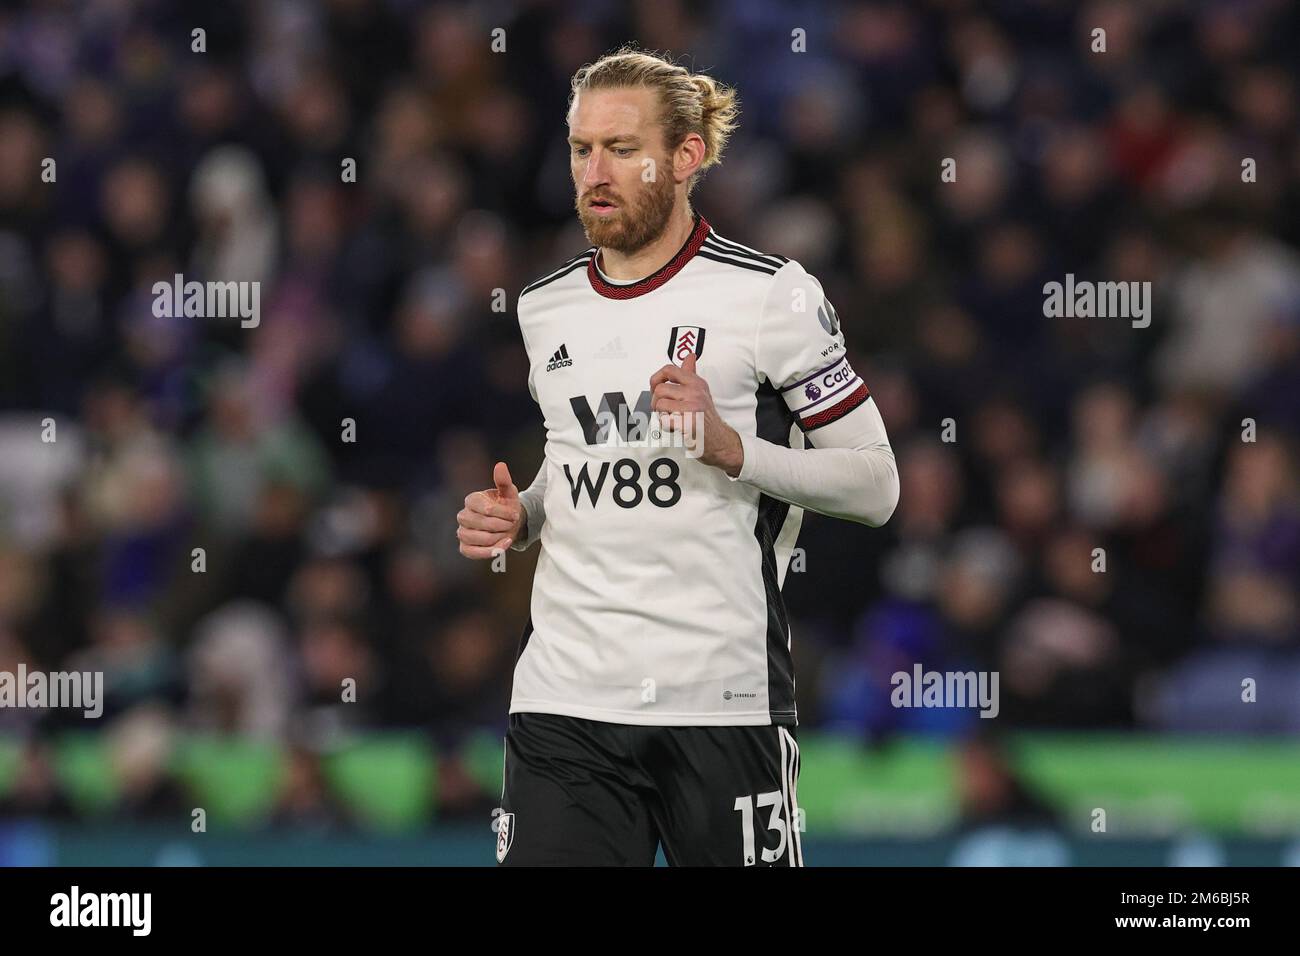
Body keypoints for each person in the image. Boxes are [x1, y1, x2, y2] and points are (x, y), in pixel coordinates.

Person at [456, 46, 899, 866]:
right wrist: (525, 514)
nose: (596, 171)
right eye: (582, 148)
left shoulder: (772, 296)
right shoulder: (544, 307)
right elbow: (580, 456)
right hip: (566, 698)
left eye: (622, 150)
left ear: (685, 157)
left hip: (721, 700)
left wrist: (735, 450)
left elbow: (876, 486)